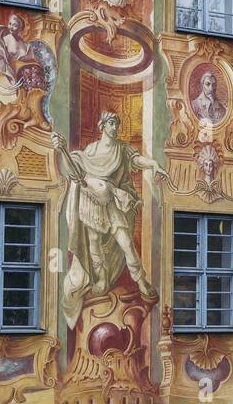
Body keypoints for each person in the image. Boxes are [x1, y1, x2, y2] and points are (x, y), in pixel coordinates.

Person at [54, 111, 166, 326]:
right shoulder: (91, 150)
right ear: (102, 125)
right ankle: (102, 278)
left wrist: (153, 164)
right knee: (94, 243)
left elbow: (136, 160)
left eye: (117, 124)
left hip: (111, 201)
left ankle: (141, 281)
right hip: (90, 199)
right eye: (112, 123)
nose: (115, 127)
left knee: (126, 243)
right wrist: (62, 149)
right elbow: (75, 173)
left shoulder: (121, 149)